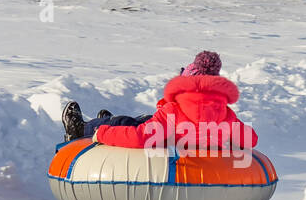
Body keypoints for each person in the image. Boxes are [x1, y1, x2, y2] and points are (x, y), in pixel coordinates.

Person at [61, 50, 258, 152]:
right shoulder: (225, 114)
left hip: (168, 155)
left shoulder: (173, 111)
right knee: (143, 118)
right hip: (189, 153)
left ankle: (84, 129)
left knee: (123, 123)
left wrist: (101, 134)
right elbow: (250, 139)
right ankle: (108, 121)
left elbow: (140, 138)